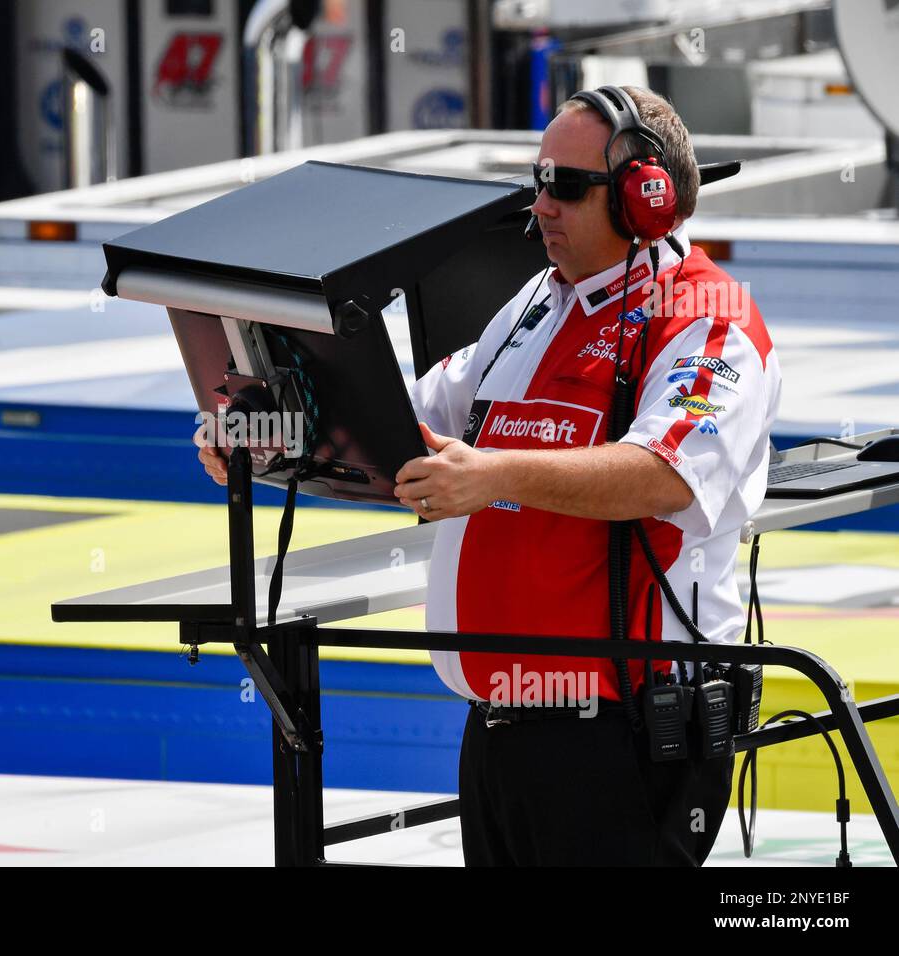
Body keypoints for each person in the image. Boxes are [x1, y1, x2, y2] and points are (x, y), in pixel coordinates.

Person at [196, 85, 781, 866]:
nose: (540, 206)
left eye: (566, 186)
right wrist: (263, 432)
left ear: (647, 198)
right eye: (537, 181)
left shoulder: (709, 316)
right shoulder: (536, 304)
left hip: (628, 734)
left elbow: (664, 475)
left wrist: (495, 473)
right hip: (503, 730)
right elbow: (398, 424)